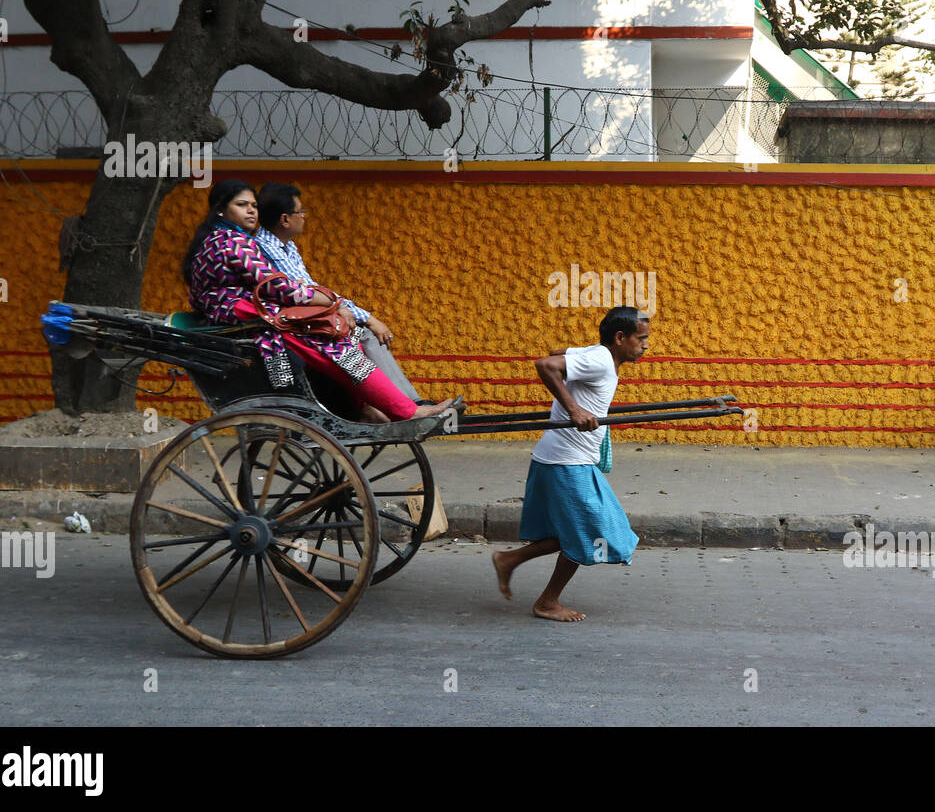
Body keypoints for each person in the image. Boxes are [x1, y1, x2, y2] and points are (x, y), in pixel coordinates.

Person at [181, 179, 453, 422]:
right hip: (247, 318)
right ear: (220, 209)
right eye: (242, 205)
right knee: (338, 347)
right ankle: (405, 410)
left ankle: (371, 408)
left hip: (243, 316)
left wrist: (323, 300)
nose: (252, 211)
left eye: (253, 205)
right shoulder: (233, 242)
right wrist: (328, 300)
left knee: (343, 339)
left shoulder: (216, 239)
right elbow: (277, 287)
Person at [490, 306, 649, 622]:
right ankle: (546, 602)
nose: (645, 345)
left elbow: (556, 353)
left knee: (575, 531)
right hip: (567, 462)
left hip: (563, 459)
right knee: (591, 531)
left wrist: (576, 359)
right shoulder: (601, 360)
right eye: (641, 339)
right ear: (620, 338)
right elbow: (546, 364)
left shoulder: (599, 354)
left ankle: (509, 560)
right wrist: (574, 409)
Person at [254, 183, 422, 403]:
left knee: (361, 333)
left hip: (301, 321)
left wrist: (357, 313)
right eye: (300, 211)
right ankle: (404, 405)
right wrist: (356, 313)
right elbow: (301, 293)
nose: (304, 216)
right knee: (361, 336)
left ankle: (392, 404)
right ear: (284, 219)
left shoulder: (286, 246)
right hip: (290, 326)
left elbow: (312, 289)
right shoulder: (264, 248)